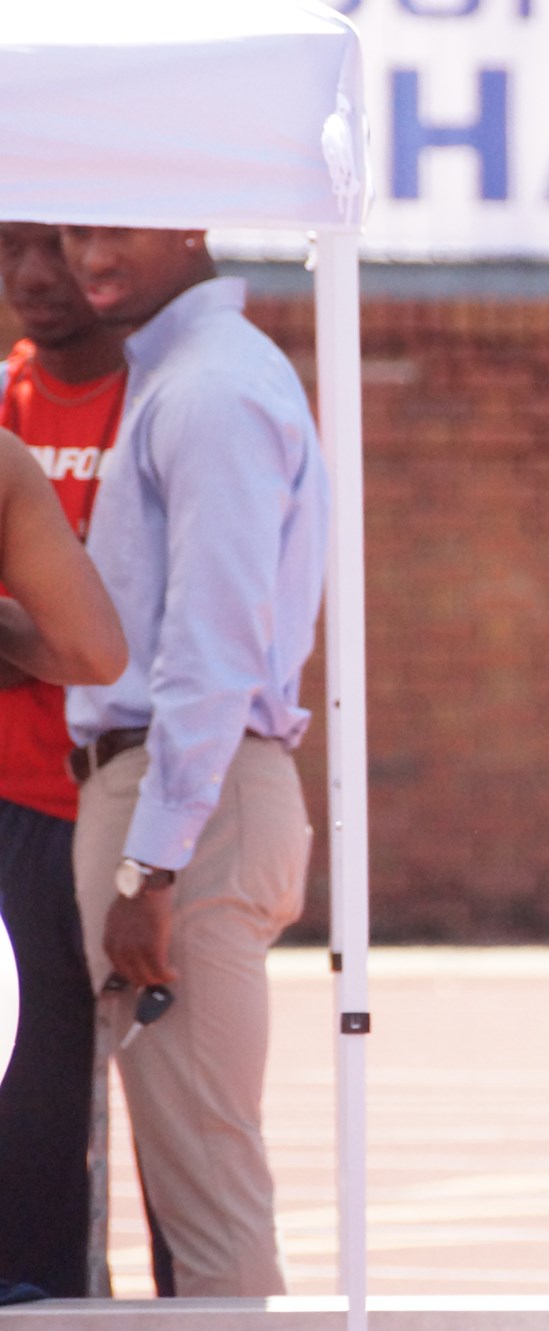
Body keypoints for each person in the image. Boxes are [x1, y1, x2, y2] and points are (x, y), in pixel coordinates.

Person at [59, 224, 328, 1298]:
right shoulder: (189, 373)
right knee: (197, 1179)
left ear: (188, 220)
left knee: (209, 1199)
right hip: (186, 796)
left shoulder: (210, 387)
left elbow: (212, 644)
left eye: (115, 223)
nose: (87, 253)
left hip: (188, 806)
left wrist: (150, 866)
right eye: (75, 227)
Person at [0, 219, 131, 1298]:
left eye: (52, 246)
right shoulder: (8, 408)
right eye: (9, 250)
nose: (32, 275)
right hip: (12, 791)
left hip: (78, 795)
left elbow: (107, 636)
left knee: (55, 1096)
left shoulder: (157, 399)